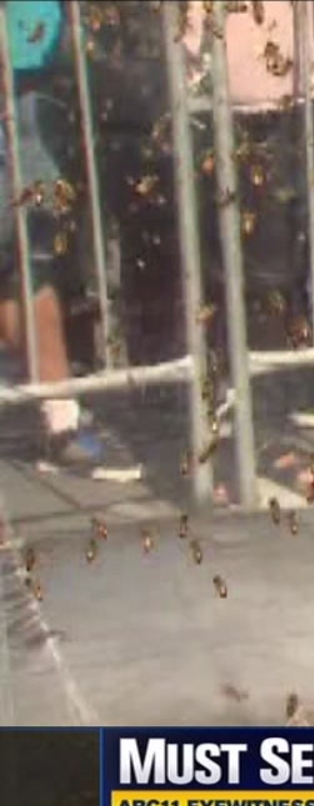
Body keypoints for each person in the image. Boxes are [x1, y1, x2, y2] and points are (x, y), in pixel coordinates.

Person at [181, 0, 314, 497]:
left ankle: (265, 435)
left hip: (294, 107)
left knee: (277, 283)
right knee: (219, 286)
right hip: (213, 112)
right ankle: (224, 446)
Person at [0, 0, 142, 481]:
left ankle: (58, 416)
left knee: (22, 258)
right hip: (17, 77)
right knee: (30, 249)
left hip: (34, 70)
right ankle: (59, 420)